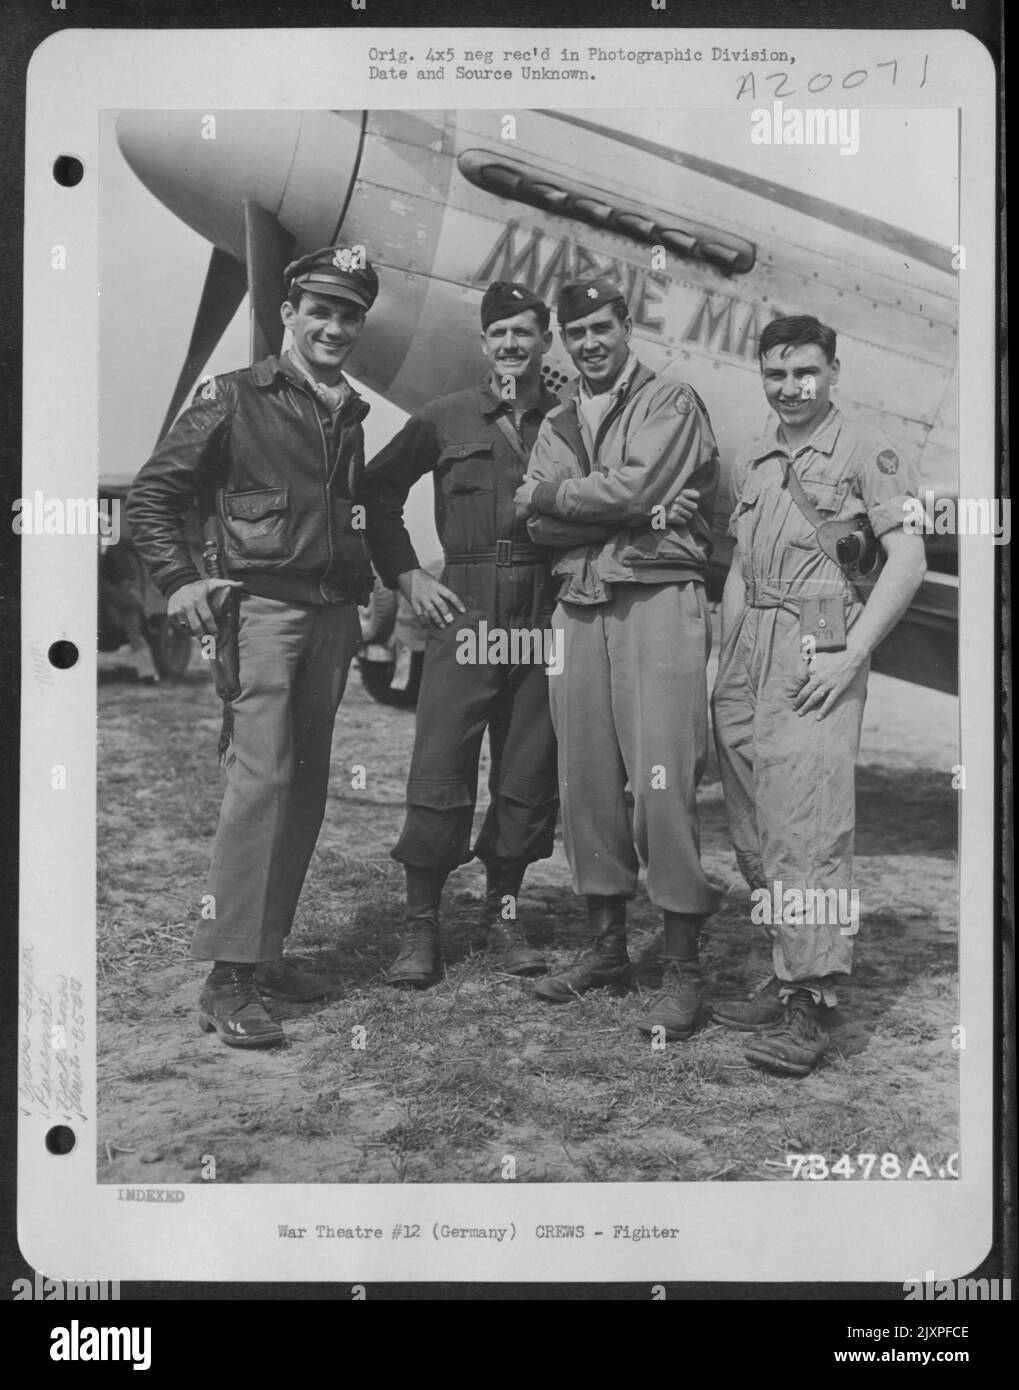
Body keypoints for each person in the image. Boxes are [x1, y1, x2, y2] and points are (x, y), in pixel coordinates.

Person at [127, 246, 394, 1048]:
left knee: (303, 790)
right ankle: (226, 975)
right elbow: (153, 495)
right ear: (288, 313)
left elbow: (340, 514)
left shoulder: (348, 409)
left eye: (349, 314)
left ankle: (264, 953)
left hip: (330, 619)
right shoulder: (235, 397)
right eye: (321, 309)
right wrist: (178, 579)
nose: (335, 326)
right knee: (260, 788)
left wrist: (370, 586)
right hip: (263, 617)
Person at [711, 314, 927, 1075]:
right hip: (748, 646)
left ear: (833, 370)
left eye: (804, 371)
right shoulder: (755, 455)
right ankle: (783, 974)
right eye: (775, 374)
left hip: (818, 636)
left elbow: (908, 557)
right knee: (754, 826)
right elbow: (739, 566)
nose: (790, 387)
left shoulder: (866, 450)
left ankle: (811, 1007)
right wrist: (721, 664)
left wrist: (853, 653)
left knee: (805, 827)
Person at [514, 276, 722, 1040]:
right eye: (577, 334)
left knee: (662, 777)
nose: (590, 344)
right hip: (577, 605)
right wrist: (604, 506)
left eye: (602, 328)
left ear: (626, 326)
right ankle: (605, 948)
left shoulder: (669, 401)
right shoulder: (559, 418)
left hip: (657, 597)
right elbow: (538, 527)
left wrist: (552, 499)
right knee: (586, 780)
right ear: (564, 341)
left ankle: (682, 967)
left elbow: (638, 486)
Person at [361, 282, 564, 988]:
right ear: (483, 344)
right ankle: (421, 926)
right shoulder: (445, 418)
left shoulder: (572, 424)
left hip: (542, 615)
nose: (511, 344)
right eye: (499, 333)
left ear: (545, 341)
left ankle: (502, 915)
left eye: (525, 333)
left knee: (528, 772)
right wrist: (407, 575)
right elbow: (375, 492)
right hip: (466, 610)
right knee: (441, 765)